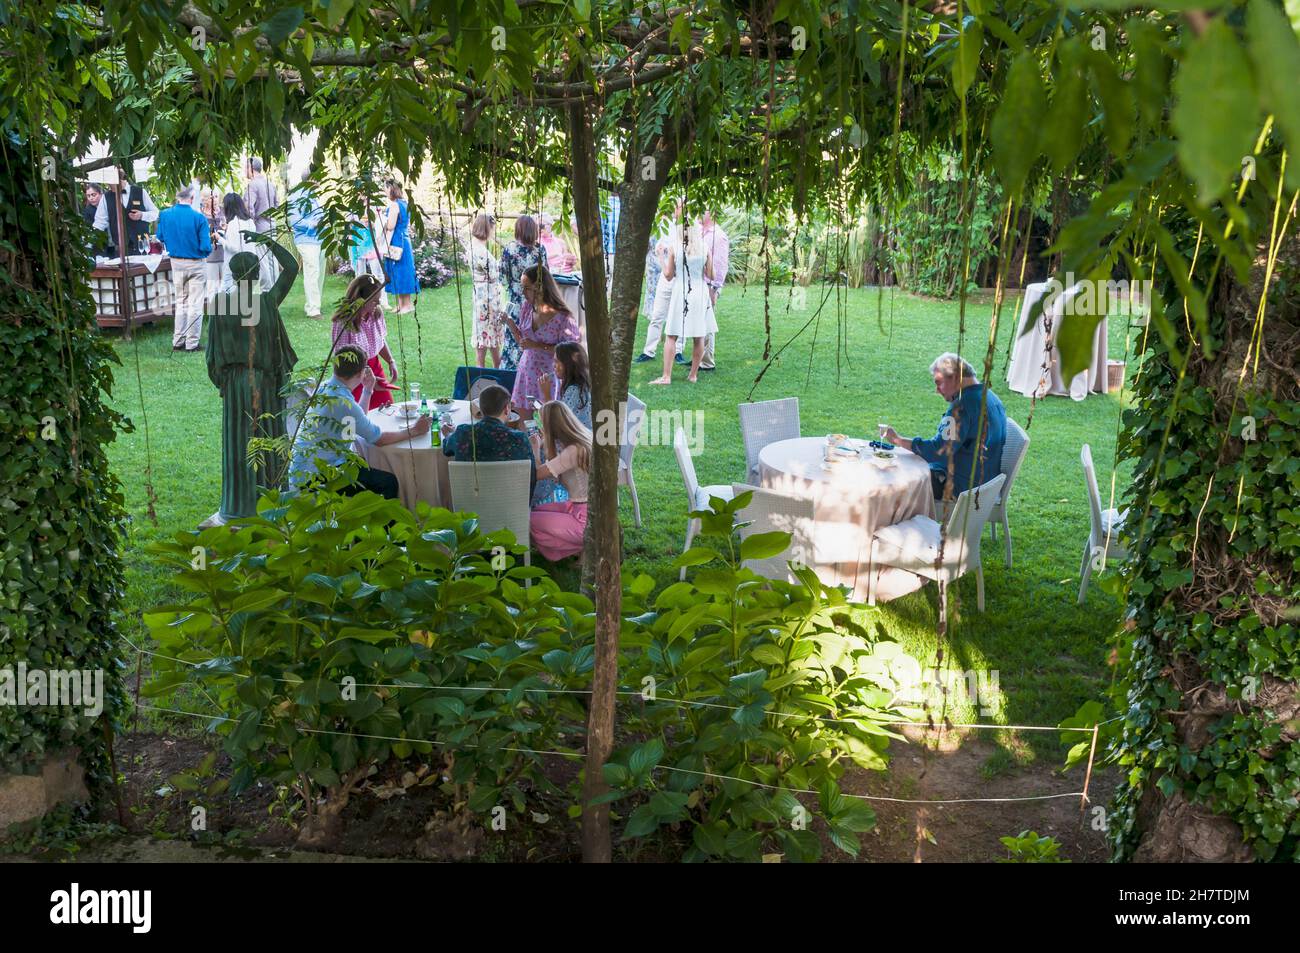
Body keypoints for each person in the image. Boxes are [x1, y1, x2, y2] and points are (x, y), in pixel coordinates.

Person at [202, 237, 299, 528]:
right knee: (266, 440)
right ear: (257, 274)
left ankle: (236, 507)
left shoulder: (220, 306)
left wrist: (226, 381)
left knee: (238, 443)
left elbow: (212, 359)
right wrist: (268, 242)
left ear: (232, 275)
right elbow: (292, 268)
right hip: (264, 383)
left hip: (234, 385)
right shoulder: (267, 302)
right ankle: (266, 505)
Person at [289, 345, 426, 499]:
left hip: (301, 469)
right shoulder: (342, 401)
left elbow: (356, 420)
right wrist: (415, 430)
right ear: (361, 372)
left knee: (362, 463)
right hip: (317, 477)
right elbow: (378, 439)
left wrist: (368, 389)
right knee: (388, 482)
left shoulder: (326, 386)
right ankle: (385, 523)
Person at [881, 352, 1008, 503]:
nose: (937, 390)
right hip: (986, 486)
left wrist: (898, 440)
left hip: (961, 489)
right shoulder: (991, 398)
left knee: (891, 479)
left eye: (938, 382)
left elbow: (939, 451)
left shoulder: (961, 407)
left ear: (955, 377)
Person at [504, 264, 578, 417]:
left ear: (540, 288)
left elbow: (571, 351)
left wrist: (538, 345)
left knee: (549, 419)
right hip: (527, 371)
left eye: (527, 288)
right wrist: (510, 323)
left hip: (549, 376)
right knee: (522, 418)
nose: (522, 292)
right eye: (522, 287)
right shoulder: (527, 307)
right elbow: (524, 343)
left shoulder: (563, 317)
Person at [649, 219, 717, 385]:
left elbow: (668, 275)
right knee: (699, 335)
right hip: (700, 292)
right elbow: (711, 275)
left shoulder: (675, 248)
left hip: (681, 292)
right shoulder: (704, 247)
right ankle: (693, 375)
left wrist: (660, 256)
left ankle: (666, 376)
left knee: (671, 335)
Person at [439, 382, 536, 495]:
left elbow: (446, 449)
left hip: (470, 507)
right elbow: (531, 476)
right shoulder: (519, 439)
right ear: (506, 409)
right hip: (510, 506)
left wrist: (448, 435)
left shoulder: (463, 433)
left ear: (481, 408)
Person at [528, 400, 592, 562]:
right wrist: (546, 444)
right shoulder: (582, 438)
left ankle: (583, 546)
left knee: (526, 520)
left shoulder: (573, 451)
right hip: (582, 509)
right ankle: (576, 546)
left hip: (583, 521)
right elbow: (557, 475)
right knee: (533, 512)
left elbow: (536, 474)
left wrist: (535, 449)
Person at [155, 185, 212, 351]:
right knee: (195, 304)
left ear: (176, 196)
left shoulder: (165, 214)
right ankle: (191, 343)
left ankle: (178, 340)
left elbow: (160, 236)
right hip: (195, 262)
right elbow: (206, 246)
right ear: (192, 198)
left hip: (176, 262)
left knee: (181, 302)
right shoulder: (198, 217)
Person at [331, 274, 398, 410]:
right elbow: (343, 362)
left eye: (379, 299)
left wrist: (391, 361)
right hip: (353, 375)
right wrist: (366, 380)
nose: (378, 304)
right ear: (359, 300)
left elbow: (380, 340)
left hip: (375, 368)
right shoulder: (344, 323)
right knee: (359, 416)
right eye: (374, 301)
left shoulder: (376, 314)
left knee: (386, 408)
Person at [673, 209, 729, 371]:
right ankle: (698, 358)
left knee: (707, 324)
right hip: (696, 286)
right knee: (698, 323)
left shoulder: (718, 236)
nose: (699, 213)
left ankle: (707, 361)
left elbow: (719, 266)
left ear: (712, 213)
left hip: (708, 286)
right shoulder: (697, 229)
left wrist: (714, 289)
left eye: (704, 210)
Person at [498, 214, 549, 370]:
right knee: (532, 335)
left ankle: (511, 372)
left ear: (518, 229)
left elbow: (503, 277)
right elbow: (546, 275)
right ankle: (532, 369)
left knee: (514, 337)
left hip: (515, 300)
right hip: (536, 300)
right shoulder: (540, 250)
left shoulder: (509, 249)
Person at [93, 165, 158, 257]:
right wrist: (90, 237)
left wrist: (142, 215)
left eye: (110, 183)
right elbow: (100, 222)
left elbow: (155, 213)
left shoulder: (140, 192)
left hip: (142, 247)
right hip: (121, 250)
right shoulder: (106, 197)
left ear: (119, 180)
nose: (108, 185)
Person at [468, 212, 504, 368]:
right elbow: (495, 274)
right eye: (492, 229)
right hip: (486, 297)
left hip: (483, 294)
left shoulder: (473, 246)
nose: (493, 232)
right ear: (487, 228)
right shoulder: (480, 250)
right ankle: (484, 369)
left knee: (489, 334)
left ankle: (496, 368)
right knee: (486, 333)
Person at [218, 192, 274, 292]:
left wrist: (220, 239)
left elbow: (234, 248)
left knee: (227, 294)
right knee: (248, 296)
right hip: (250, 264)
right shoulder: (249, 222)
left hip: (235, 267)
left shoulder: (233, 223)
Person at [289, 169, 325, 318]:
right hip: (306, 240)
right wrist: (313, 224)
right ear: (311, 179)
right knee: (312, 273)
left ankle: (315, 304)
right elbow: (294, 221)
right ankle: (313, 310)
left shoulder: (314, 196)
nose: (320, 181)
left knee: (319, 274)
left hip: (320, 239)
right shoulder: (297, 195)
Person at [634, 236, 674, 363]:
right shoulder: (655, 225)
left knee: (678, 315)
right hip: (659, 275)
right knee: (657, 315)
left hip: (677, 276)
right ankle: (649, 351)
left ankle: (678, 351)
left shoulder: (681, 225)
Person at [243, 157, 281, 286]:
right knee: (272, 260)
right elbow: (277, 205)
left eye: (245, 167)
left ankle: (266, 292)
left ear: (251, 168)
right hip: (272, 226)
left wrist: (250, 222)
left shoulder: (252, 185)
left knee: (263, 261)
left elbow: (249, 208)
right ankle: (276, 292)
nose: (244, 170)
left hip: (260, 227)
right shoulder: (270, 184)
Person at [382, 180, 418, 313]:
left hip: (397, 240)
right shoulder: (404, 203)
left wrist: (381, 223)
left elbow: (391, 226)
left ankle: (406, 305)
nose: (384, 191)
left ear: (391, 189)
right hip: (403, 239)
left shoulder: (394, 205)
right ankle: (400, 304)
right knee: (399, 271)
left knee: (401, 271)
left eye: (385, 188)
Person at [538, 341, 592, 430]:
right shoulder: (581, 386)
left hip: (577, 441)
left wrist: (546, 394)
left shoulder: (575, 390)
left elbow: (558, 423)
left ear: (569, 363)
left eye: (556, 361)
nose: (553, 365)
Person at [199, 188, 225, 298]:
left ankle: (227, 313)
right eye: (211, 197)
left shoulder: (223, 211)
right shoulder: (200, 214)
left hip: (224, 252)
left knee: (226, 286)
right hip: (210, 255)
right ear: (205, 199)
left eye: (216, 196)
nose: (215, 199)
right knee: (212, 288)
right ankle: (214, 313)